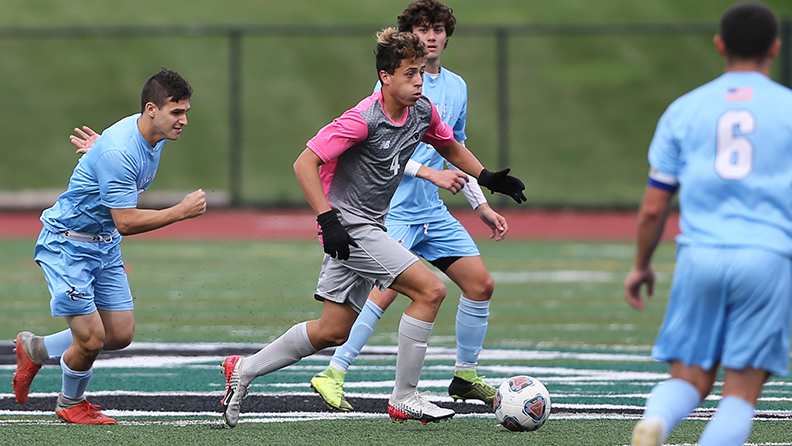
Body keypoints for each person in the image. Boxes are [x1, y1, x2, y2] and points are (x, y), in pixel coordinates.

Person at [220, 28, 525, 428]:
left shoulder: (421, 111)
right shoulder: (363, 119)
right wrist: (327, 219)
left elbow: (448, 145)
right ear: (385, 77)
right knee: (430, 290)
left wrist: (486, 177)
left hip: (370, 225)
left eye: (420, 72)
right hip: (348, 226)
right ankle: (404, 397)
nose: (419, 81)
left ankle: (244, 369)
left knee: (332, 331)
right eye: (409, 74)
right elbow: (304, 163)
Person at [309, 0, 507, 412]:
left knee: (480, 285)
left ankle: (465, 376)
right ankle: (335, 371)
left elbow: (455, 146)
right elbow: (382, 146)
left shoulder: (456, 86)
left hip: (432, 211)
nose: (430, 36)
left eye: (438, 29)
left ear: (447, 36)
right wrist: (429, 173)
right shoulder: (395, 83)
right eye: (422, 29)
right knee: (385, 294)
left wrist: (481, 203)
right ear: (408, 37)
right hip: (394, 209)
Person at [624, 3, 792, 445]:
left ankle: (657, 421)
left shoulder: (685, 109)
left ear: (719, 45)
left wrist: (641, 265)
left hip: (700, 256)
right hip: (767, 256)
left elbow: (654, 208)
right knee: (740, 393)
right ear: (775, 48)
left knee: (689, 378)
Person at [12, 68, 206, 424]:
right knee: (90, 341)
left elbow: (116, 155)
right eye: (176, 112)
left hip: (103, 244)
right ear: (151, 109)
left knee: (118, 334)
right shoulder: (119, 152)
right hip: (68, 246)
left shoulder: (153, 133)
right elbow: (126, 221)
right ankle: (70, 403)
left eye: (186, 111)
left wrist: (98, 153)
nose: (184, 120)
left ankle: (35, 349)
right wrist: (180, 211)